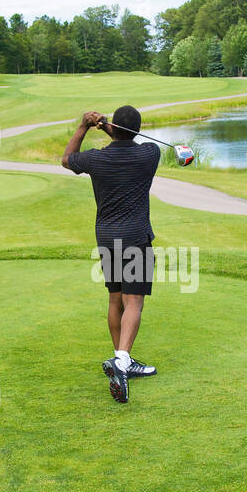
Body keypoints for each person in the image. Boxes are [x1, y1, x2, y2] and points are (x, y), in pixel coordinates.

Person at [61, 105, 160, 404]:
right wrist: (109, 125)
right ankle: (122, 360)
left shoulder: (96, 159)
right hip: (135, 237)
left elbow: (66, 159)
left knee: (116, 299)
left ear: (114, 128)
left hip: (106, 236)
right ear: (137, 130)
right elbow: (131, 139)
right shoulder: (149, 155)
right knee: (134, 302)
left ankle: (123, 363)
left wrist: (85, 126)